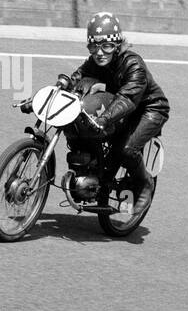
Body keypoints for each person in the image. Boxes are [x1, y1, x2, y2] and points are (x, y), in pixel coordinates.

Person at [56, 11, 170, 205]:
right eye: (94, 46)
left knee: (125, 149)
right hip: (119, 107)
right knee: (84, 128)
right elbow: (76, 79)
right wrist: (49, 96)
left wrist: (104, 119)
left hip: (148, 109)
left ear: (117, 45)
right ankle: (97, 174)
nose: (100, 52)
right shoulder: (95, 62)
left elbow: (127, 99)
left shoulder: (133, 64)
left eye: (106, 46)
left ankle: (144, 184)